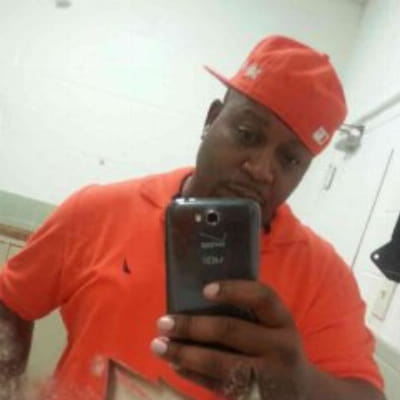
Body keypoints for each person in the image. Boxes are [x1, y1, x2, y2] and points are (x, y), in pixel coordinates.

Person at [0, 35, 385, 400]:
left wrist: (301, 383)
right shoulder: (95, 211)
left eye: (290, 160)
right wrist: (8, 387)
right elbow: (11, 300)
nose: (262, 170)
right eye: (248, 134)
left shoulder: (323, 277)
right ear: (211, 119)